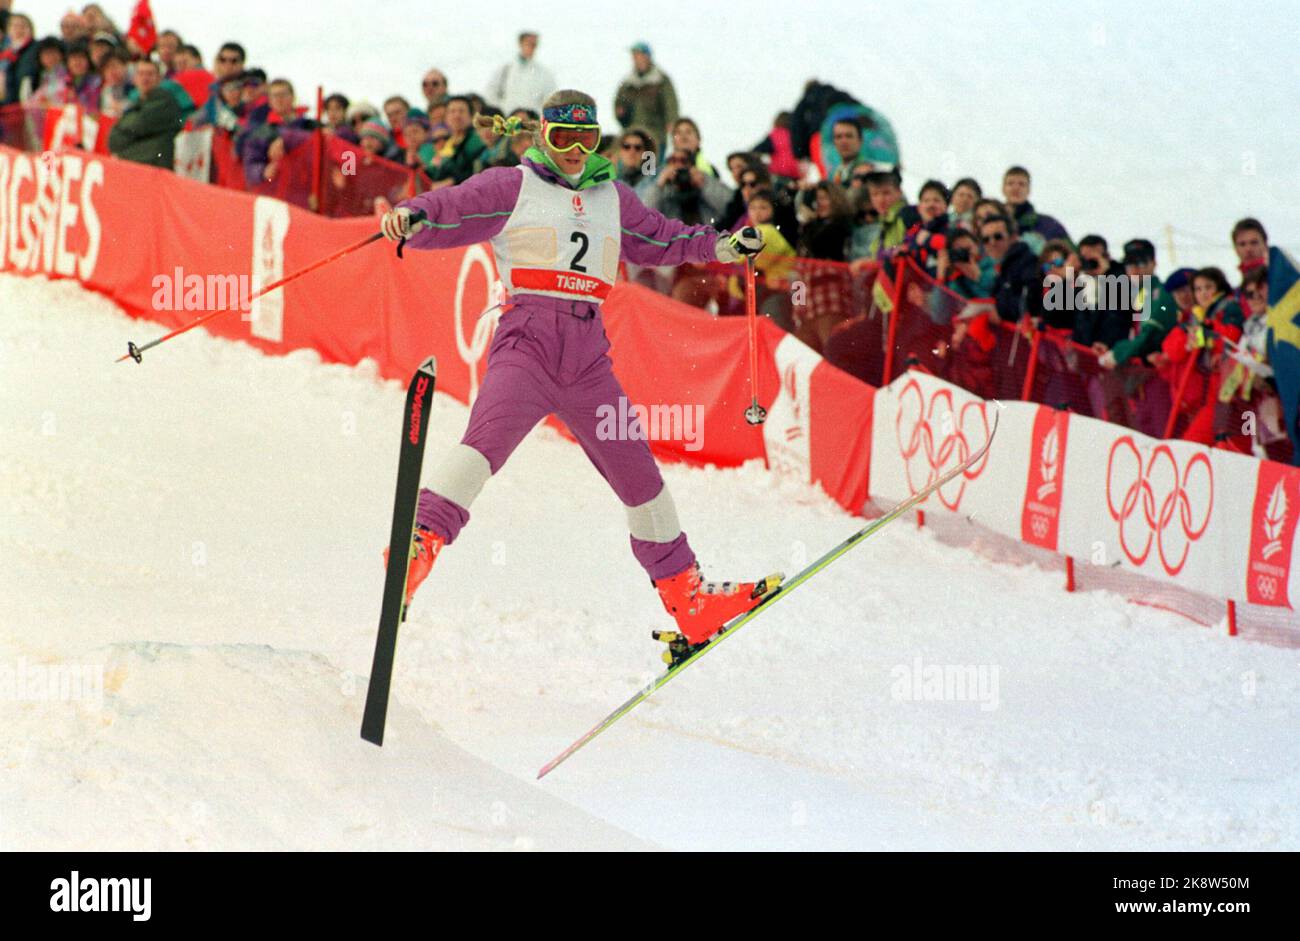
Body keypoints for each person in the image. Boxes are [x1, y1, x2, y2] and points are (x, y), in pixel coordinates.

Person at [378, 89, 773, 665]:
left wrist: (722, 244)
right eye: (561, 139)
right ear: (543, 135)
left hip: (589, 355)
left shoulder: (614, 196)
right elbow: (454, 206)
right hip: (529, 339)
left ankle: (688, 597)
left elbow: (663, 238)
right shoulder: (514, 185)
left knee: (639, 473)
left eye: (584, 140)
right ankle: (417, 546)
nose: (572, 151)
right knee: (485, 446)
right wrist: (412, 217)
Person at [107, 58, 182, 168]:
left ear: (159, 78)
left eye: (150, 74)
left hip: (156, 169)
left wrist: (120, 127)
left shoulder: (165, 101)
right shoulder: (138, 102)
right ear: (134, 79)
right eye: (141, 74)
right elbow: (114, 139)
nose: (145, 78)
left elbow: (139, 123)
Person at [613, 41, 678, 156]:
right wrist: (620, 113)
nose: (636, 59)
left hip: (654, 136)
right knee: (629, 168)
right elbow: (618, 103)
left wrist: (671, 122)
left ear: (647, 57)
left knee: (649, 169)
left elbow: (671, 103)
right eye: (634, 56)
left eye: (639, 55)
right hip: (632, 135)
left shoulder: (660, 80)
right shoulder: (628, 83)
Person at [1000, 165, 1069, 255]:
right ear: (1003, 189)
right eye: (1010, 183)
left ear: (1028, 190)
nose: (1016, 188)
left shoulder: (1049, 225)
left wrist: (1067, 269)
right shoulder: (990, 227)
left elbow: (1072, 260)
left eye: (1021, 184)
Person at [488, 30, 554, 114]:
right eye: (528, 43)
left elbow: (550, 100)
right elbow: (490, 94)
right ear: (520, 43)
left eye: (534, 45)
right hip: (508, 119)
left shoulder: (544, 73)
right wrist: (502, 111)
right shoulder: (505, 70)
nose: (531, 47)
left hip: (532, 122)